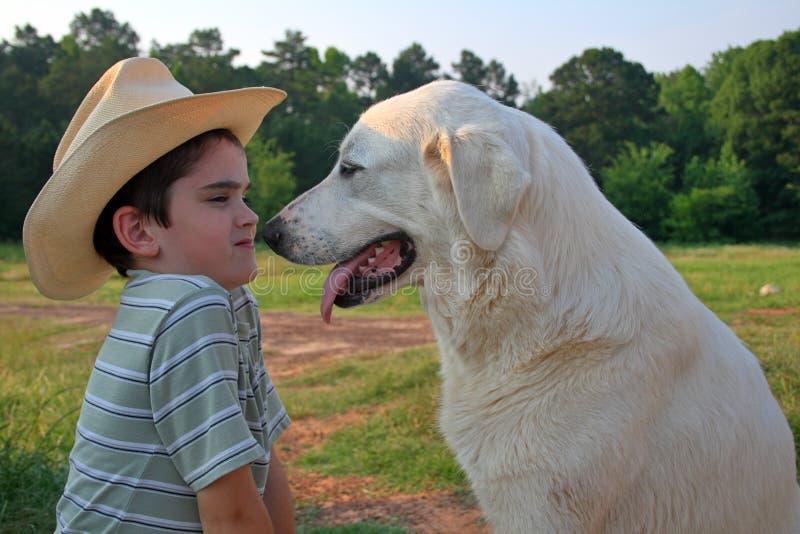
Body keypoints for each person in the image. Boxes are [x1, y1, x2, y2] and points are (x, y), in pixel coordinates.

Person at [23, 57, 293, 533]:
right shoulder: (189, 307)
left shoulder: (224, 301)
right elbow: (228, 510)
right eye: (218, 198)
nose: (249, 215)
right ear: (139, 231)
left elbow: (262, 451)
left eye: (243, 196)